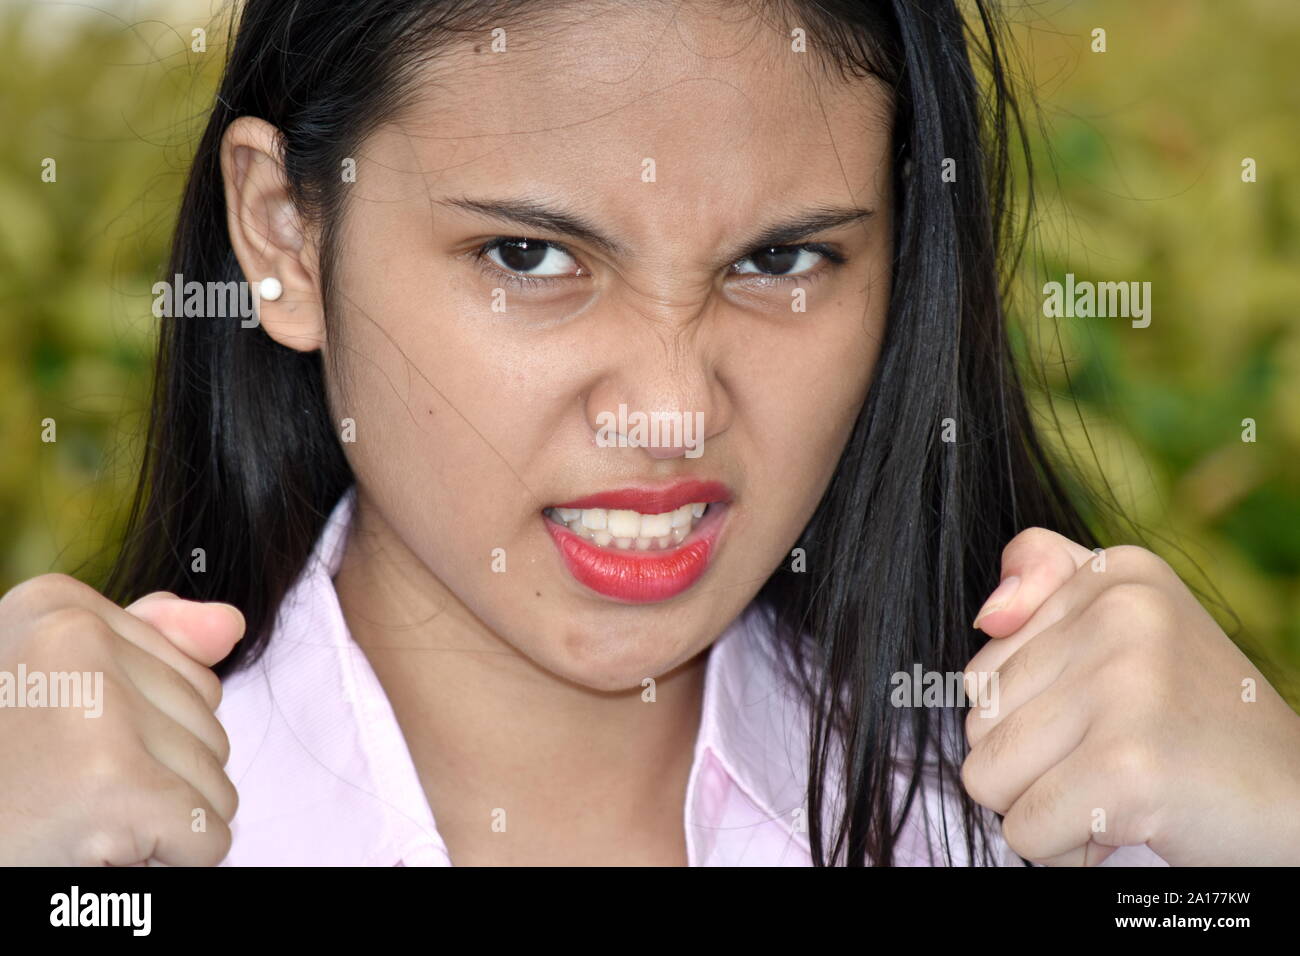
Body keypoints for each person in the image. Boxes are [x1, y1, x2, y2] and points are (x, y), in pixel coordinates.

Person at [2, 0, 1297, 866]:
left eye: (782, 258)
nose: (672, 408)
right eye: (530, 254)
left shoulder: (1092, 821)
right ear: (283, 232)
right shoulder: (79, 845)